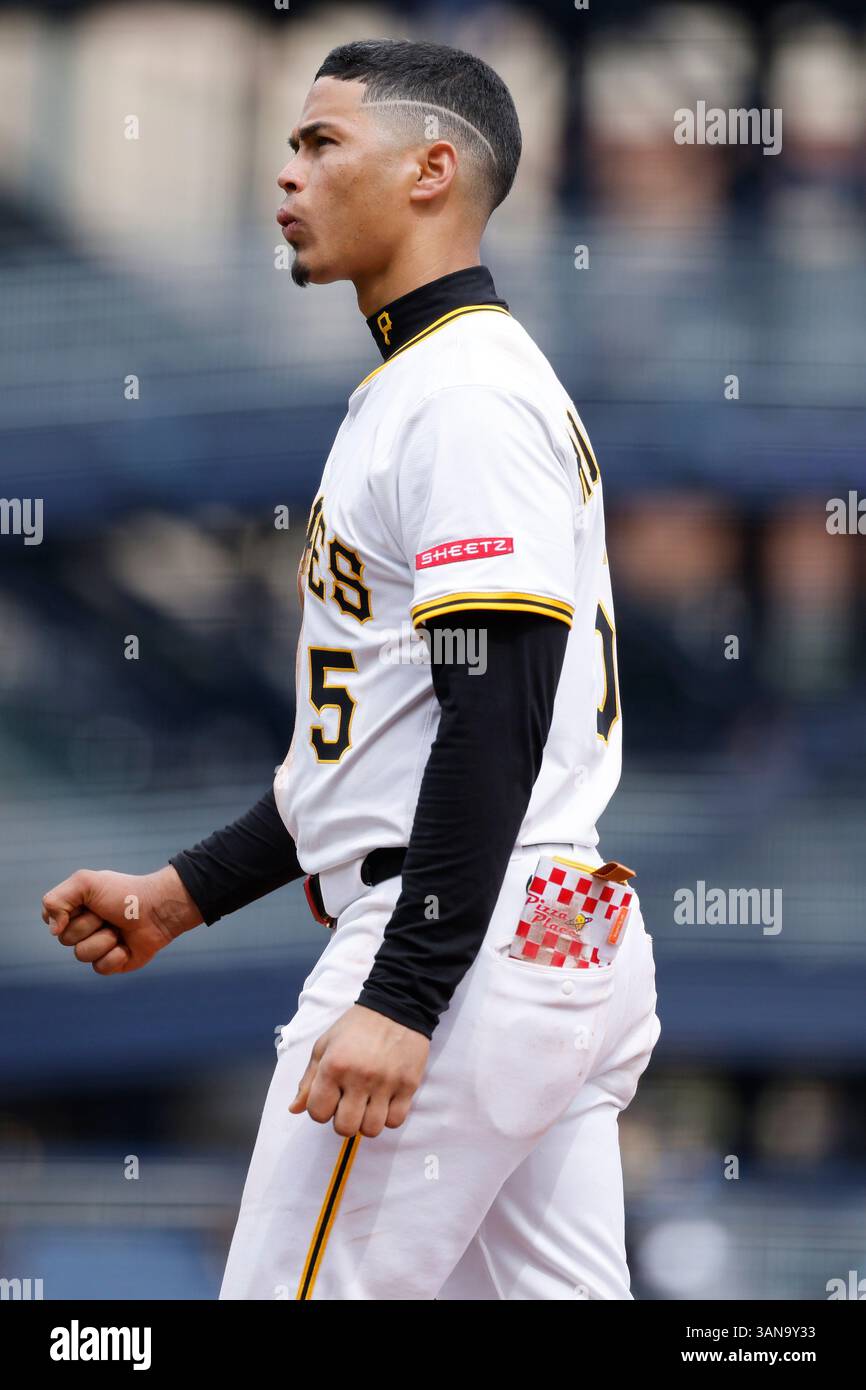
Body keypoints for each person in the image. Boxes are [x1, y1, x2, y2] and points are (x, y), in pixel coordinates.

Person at [41, 38, 660, 1301]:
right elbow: (379, 742)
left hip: (458, 938)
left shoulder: (464, 396)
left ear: (432, 169)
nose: (287, 176)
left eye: (322, 144)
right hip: (545, 928)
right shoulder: (429, 383)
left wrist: (406, 995)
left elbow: (495, 719)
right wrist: (182, 894)